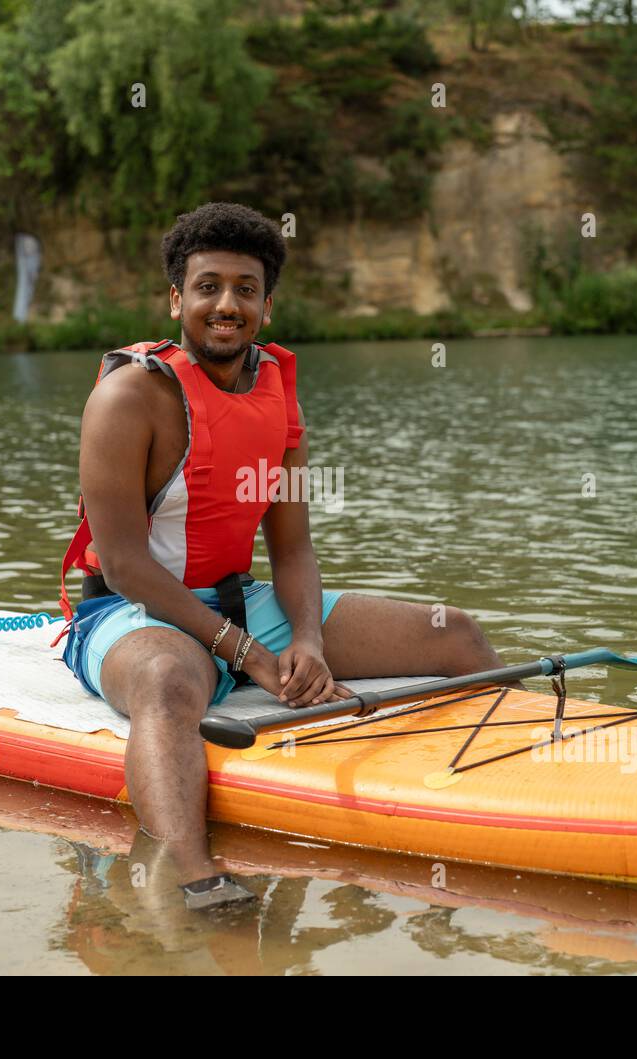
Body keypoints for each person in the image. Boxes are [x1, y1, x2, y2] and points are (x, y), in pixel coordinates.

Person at [59, 202, 503, 909]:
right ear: (178, 299)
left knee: (457, 632)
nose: (225, 304)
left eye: (245, 288)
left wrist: (306, 640)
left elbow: (292, 548)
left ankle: (513, 794)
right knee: (171, 684)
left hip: (239, 602)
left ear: (267, 305)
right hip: (130, 614)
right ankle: (190, 876)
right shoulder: (126, 398)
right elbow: (124, 565)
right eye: (207, 287)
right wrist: (248, 655)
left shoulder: (277, 398)